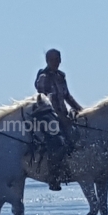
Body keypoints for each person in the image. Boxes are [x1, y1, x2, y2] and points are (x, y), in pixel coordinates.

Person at [34, 48, 83, 191]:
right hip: (47, 117)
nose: (56, 62)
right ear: (47, 61)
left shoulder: (61, 76)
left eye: (57, 59)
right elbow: (46, 100)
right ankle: (53, 177)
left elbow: (67, 96)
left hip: (63, 115)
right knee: (57, 143)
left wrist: (82, 110)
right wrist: (61, 117)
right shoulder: (43, 77)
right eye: (53, 60)